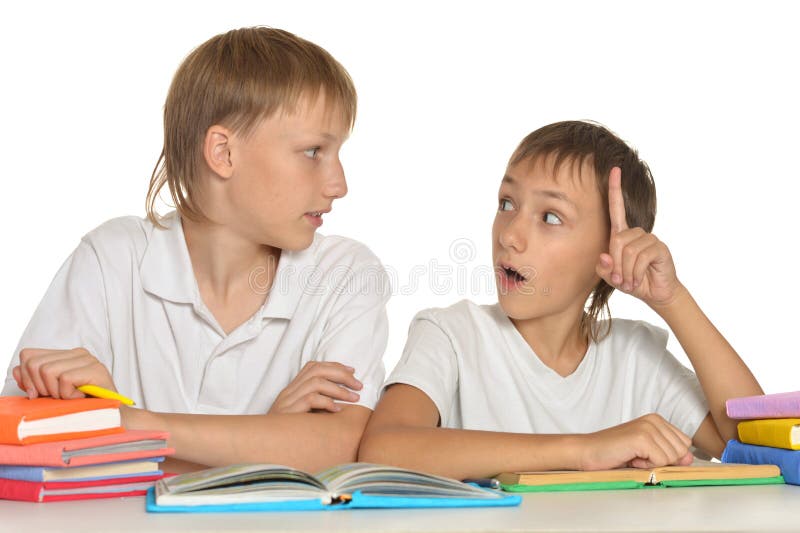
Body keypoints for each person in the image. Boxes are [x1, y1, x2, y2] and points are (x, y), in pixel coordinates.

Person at [2, 27, 390, 473]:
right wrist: (268, 439)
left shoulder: (346, 273)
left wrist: (128, 424)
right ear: (223, 153)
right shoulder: (111, 259)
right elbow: (29, 444)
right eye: (313, 151)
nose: (339, 184)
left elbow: (339, 449)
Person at [358, 120, 762, 480]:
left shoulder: (637, 359)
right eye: (507, 203)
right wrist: (583, 450)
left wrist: (673, 299)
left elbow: (757, 443)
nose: (508, 235)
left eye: (550, 217)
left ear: (610, 249)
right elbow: (383, 450)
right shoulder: (452, 336)